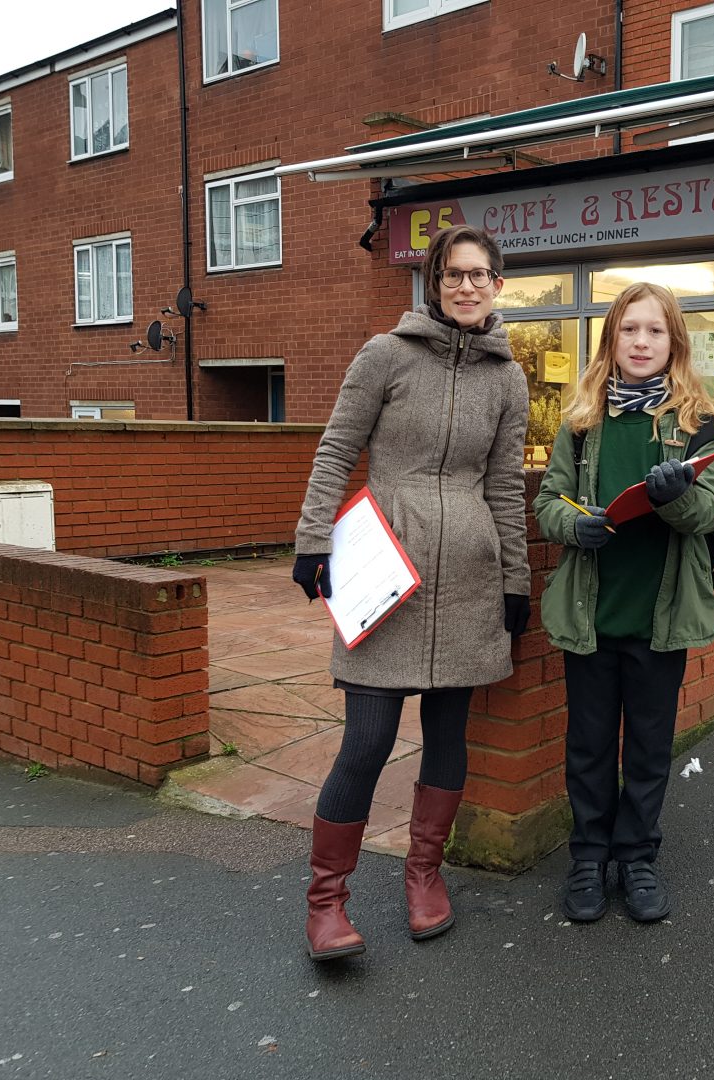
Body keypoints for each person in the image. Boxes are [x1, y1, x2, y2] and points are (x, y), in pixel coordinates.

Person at [291, 224, 531, 960]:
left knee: (448, 739)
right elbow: (337, 447)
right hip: (382, 570)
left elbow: (503, 487)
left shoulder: (508, 377)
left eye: (480, 274)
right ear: (435, 282)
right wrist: (311, 539)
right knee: (365, 743)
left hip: (466, 577)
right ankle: (326, 901)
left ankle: (424, 876)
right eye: (454, 274)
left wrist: (514, 581)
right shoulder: (384, 355)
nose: (467, 285)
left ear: (497, 284)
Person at [534, 282, 714, 924]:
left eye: (655, 331)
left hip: (659, 617)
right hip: (591, 612)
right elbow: (547, 503)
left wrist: (676, 493)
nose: (641, 342)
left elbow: (709, 513)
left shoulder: (697, 421)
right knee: (588, 744)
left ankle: (638, 857)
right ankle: (589, 858)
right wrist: (574, 525)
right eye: (629, 330)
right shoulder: (582, 421)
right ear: (611, 339)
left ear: (675, 343)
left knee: (647, 746)